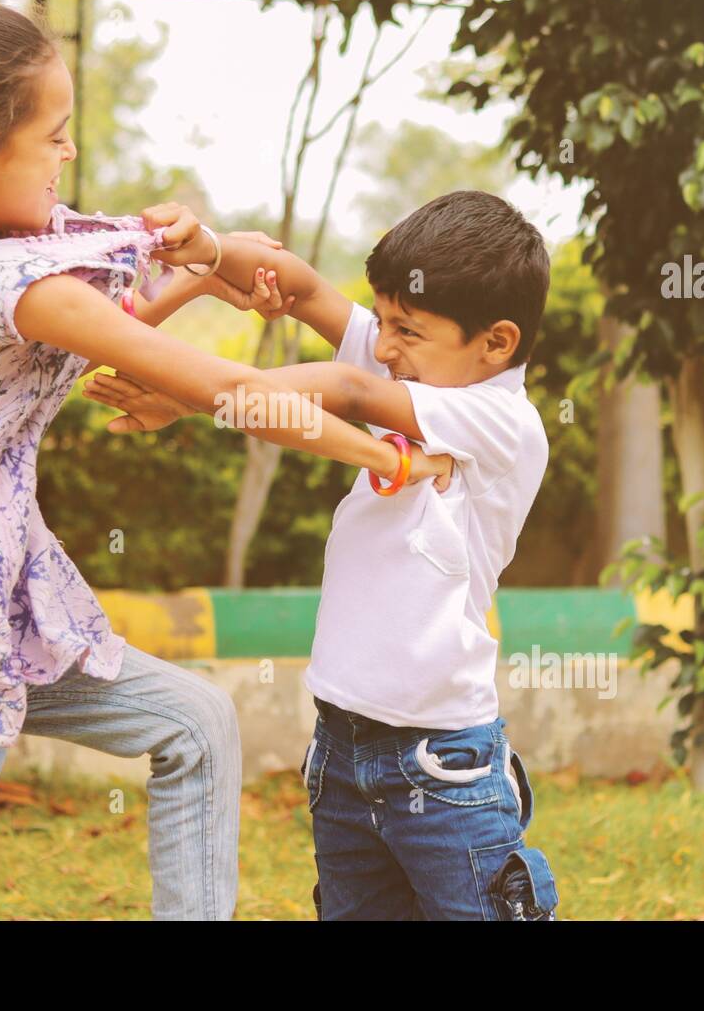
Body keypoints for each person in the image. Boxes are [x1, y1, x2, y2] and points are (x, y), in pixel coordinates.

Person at [0, 0, 451, 921]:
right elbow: (222, 389)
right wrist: (384, 457)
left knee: (195, 722)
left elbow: (54, 346)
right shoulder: (1, 279)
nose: (67, 156)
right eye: (55, 136)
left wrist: (204, 268)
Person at [85, 190, 561, 920]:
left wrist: (183, 398)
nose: (386, 343)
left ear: (495, 342)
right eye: (385, 320)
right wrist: (209, 249)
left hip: (442, 768)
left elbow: (343, 387)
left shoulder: (502, 420)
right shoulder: (424, 364)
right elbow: (300, 286)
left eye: (406, 329)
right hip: (341, 751)